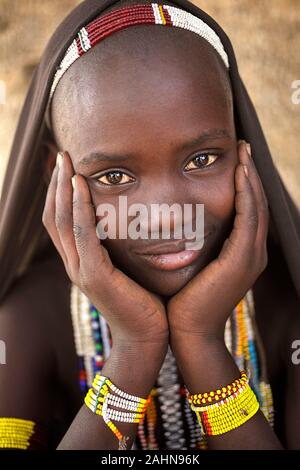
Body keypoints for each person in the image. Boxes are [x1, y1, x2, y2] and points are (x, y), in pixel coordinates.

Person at [0, 0, 300, 451]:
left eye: (201, 159)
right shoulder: (28, 322)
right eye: (115, 176)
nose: (165, 214)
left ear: (243, 147)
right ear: (56, 176)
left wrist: (201, 342)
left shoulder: (286, 306)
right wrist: (134, 350)